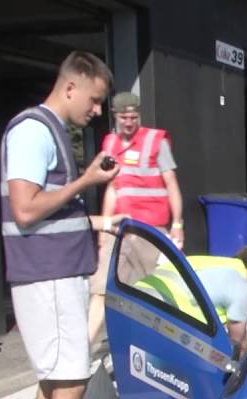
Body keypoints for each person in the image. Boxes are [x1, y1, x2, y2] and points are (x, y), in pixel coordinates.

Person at [1, 51, 126, 399]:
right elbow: (26, 209)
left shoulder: (46, 131)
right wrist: (87, 181)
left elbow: (45, 210)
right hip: (48, 276)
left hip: (50, 271)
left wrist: (97, 219)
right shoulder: (34, 130)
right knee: (70, 380)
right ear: (71, 86)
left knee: (53, 380)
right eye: (95, 100)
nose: (97, 111)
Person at [87, 91, 184, 347]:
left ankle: (137, 346)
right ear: (115, 116)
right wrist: (104, 228)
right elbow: (112, 188)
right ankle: (85, 348)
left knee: (141, 291)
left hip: (149, 231)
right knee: (101, 288)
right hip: (119, 228)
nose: (129, 122)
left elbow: (171, 183)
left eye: (133, 116)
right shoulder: (109, 144)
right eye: (124, 117)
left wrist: (177, 224)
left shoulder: (156, 141)